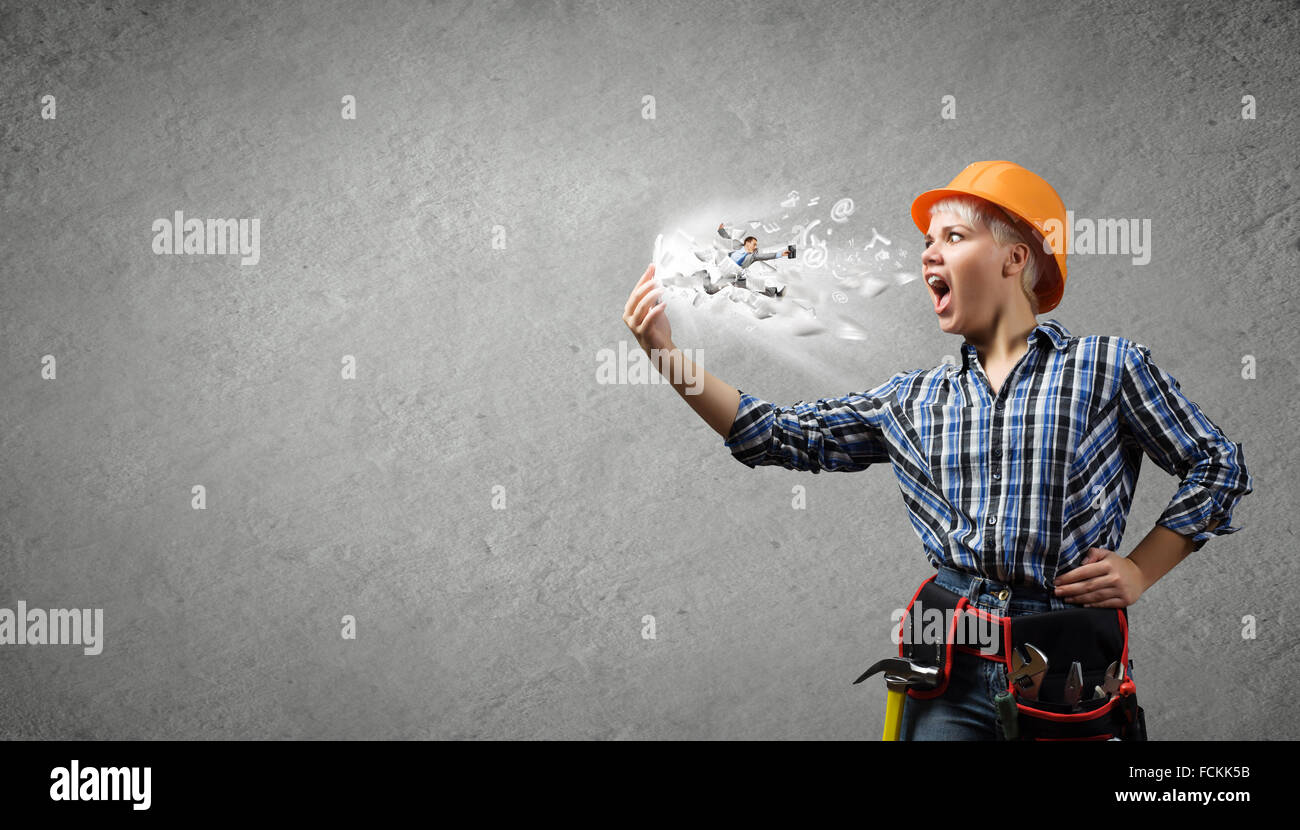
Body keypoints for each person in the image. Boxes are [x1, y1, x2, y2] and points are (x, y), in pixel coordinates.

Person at [622, 161, 1254, 740]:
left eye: (952, 237)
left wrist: (1141, 568)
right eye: (927, 242)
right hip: (946, 661)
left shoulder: (1108, 367)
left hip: (1069, 667)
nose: (929, 254)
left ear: (1014, 257)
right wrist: (666, 356)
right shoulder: (914, 400)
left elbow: (1217, 462)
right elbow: (782, 435)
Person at [714, 222, 792, 297]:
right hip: (736, 269)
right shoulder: (736, 245)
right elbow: (727, 239)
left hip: (737, 270)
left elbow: (768, 256)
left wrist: (781, 254)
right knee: (752, 282)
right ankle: (774, 293)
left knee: (752, 283)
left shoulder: (752, 257)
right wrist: (721, 231)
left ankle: (774, 293)